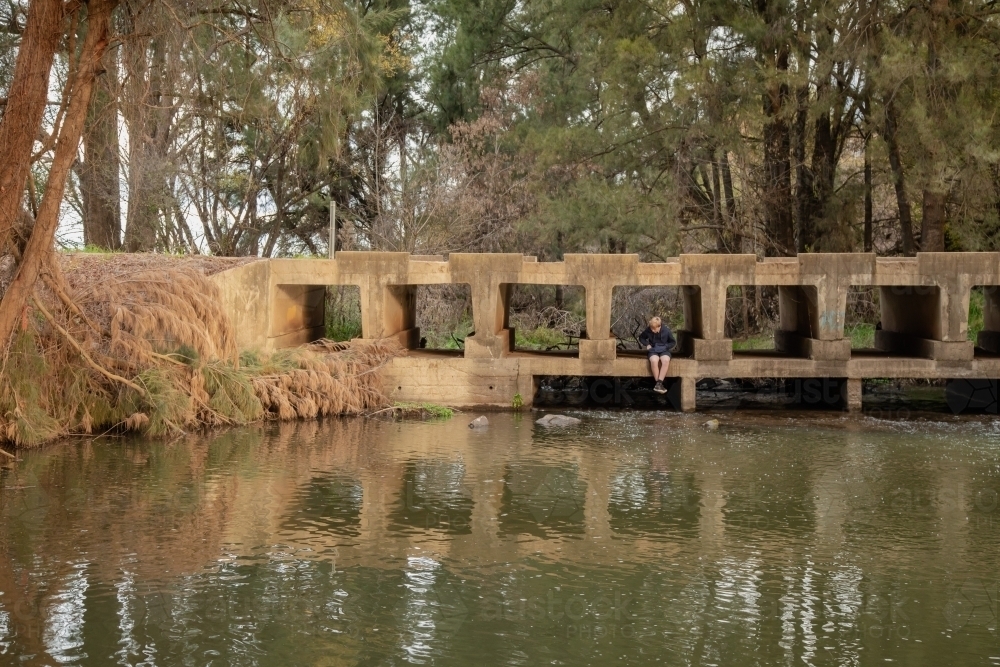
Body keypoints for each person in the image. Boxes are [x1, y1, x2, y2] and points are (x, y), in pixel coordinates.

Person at [638, 316, 676, 394]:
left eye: (654, 329)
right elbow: (641, 337)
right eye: (652, 328)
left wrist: (666, 346)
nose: (653, 330)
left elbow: (672, 342)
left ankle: (659, 383)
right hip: (653, 350)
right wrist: (647, 344)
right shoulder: (648, 330)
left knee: (665, 360)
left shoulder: (666, 331)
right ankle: (658, 384)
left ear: (659, 326)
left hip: (664, 350)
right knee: (654, 360)